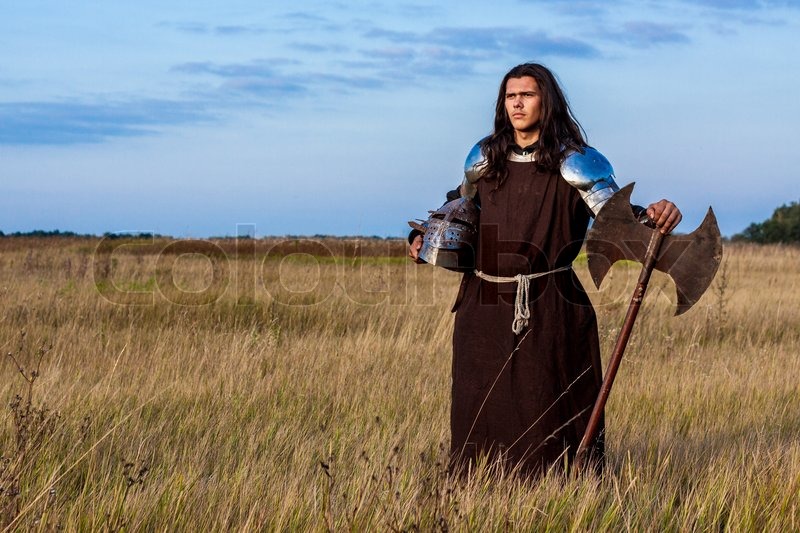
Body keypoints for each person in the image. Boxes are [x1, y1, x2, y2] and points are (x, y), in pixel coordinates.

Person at [408, 63, 681, 477]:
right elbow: (456, 210)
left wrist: (656, 215)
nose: (517, 103)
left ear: (545, 100)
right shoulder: (484, 158)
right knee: (479, 404)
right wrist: (419, 240)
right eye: (510, 95)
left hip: (552, 304)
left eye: (527, 95)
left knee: (548, 399)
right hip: (483, 306)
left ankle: (558, 491)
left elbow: (619, 218)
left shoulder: (576, 163)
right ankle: (477, 490)